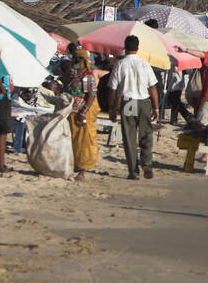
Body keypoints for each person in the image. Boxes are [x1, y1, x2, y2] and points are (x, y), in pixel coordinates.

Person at [108, 34, 160, 179]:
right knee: (146, 134)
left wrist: (112, 109)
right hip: (143, 101)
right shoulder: (144, 63)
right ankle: (147, 163)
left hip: (128, 101)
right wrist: (156, 107)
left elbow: (113, 89)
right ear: (138, 48)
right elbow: (153, 87)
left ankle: (133, 171)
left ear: (125, 48)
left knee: (129, 136)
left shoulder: (120, 64)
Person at [62, 48, 99, 180]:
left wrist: (83, 112)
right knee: (72, 140)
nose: (75, 62)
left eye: (78, 59)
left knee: (83, 142)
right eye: (74, 59)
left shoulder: (87, 76)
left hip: (82, 112)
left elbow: (91, 95)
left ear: (84, 60)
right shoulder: (74, 75)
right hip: (71, 111)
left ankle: (82, 170)